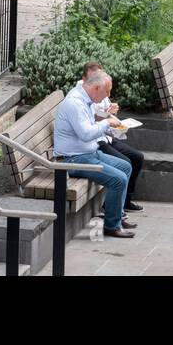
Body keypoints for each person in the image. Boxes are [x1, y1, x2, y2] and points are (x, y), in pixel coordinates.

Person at [53, 69, 135, 238]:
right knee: (118, 179)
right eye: (107, 91)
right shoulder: (75, 103)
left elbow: (87, 127)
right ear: (96, 88)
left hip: (88, 153)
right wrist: (107, 123)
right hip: (73, 159)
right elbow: (85, 134)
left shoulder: (85, 99)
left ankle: (117, 216)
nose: (107, 96)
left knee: (125, 166)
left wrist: (107, 118)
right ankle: (112, 226)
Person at [82, 62, 144, 212]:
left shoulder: (101, 89)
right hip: (96, 141)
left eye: (99, 76)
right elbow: (89, 125)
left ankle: (125, 201)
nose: (97, 80)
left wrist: (111, 113)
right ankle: (113, 208)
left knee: (137, 157)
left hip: (106, 136)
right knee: (125, 163)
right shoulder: (82, 96)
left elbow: (100, 116)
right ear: (85, 79)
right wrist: (106, 118)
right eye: (93, 77)